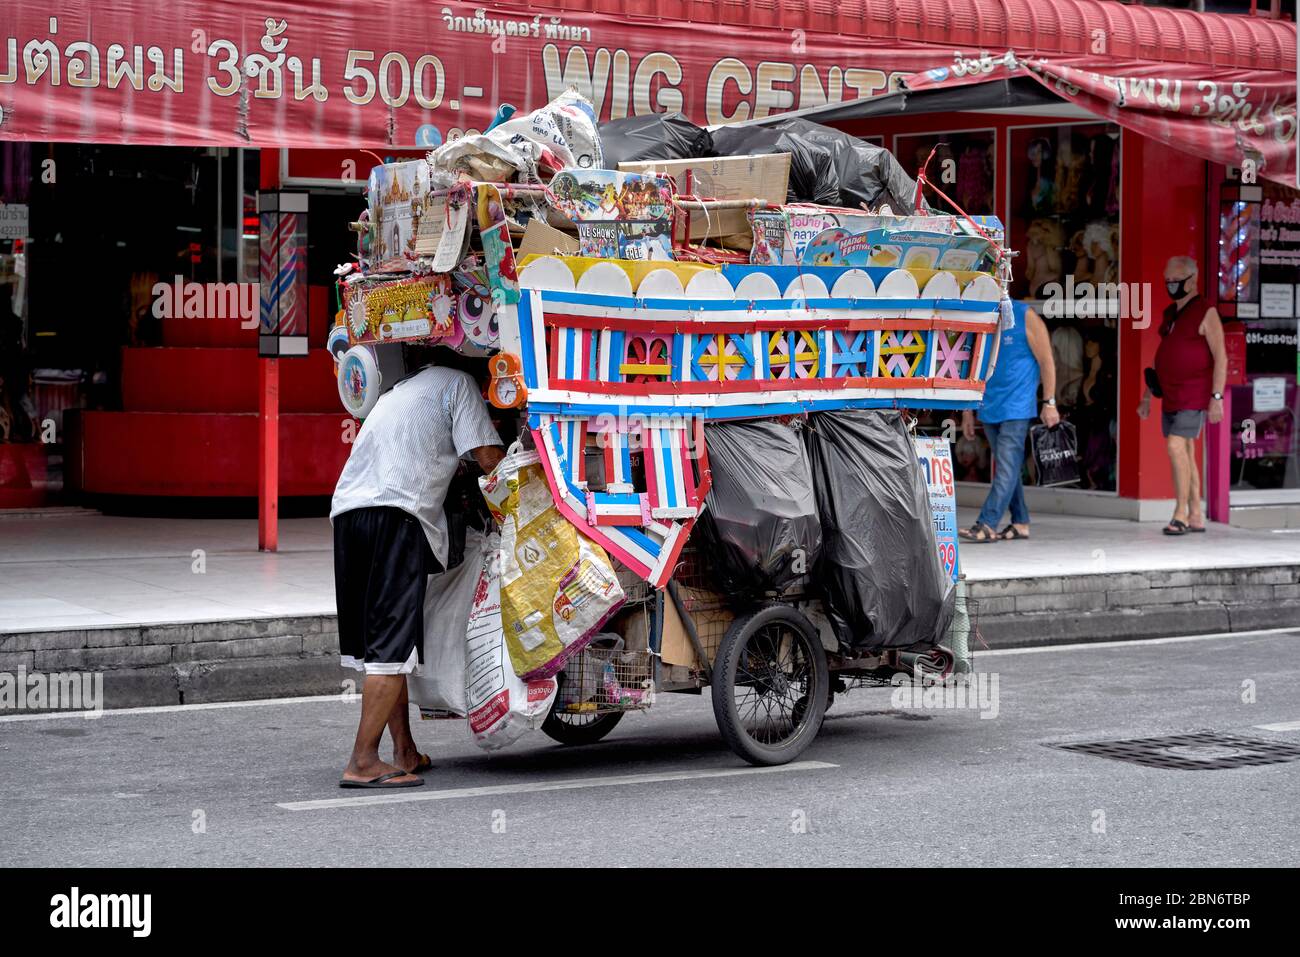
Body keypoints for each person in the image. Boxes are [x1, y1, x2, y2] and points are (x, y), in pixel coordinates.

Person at [330, 350, 504, 789]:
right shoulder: (459, 385)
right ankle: (363, 760)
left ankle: (403, 750)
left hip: (349, 514)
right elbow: (489, 461)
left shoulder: (400, 391)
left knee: (382, 647)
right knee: (392, 644)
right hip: (396, 516)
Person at [1137, 255, 1226, 535]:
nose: (1171, 285)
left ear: (1192, 280)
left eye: (1177, 280)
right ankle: (1197, 514)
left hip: (1193, 393)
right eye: (1168, 281)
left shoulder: (1206, 311)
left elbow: (1221, 357)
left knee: (1176, 446)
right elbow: (1162, 357)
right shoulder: (1171, 313)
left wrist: (1217, 397)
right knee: (1185, 450)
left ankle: (1180, 514)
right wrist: (1147, 396)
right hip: (1170, 393)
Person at [959, 300, 1059, 543]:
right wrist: (967, 410)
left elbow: (1046, 360)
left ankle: (987, 523)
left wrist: (1049, 402)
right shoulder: (981, 314)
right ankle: (1021, 521)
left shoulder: (1025, 315)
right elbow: (970, 365)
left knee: (1005, 467)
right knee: (1009, 467)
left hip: (1017, 406)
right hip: (989, 405)